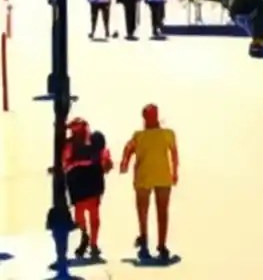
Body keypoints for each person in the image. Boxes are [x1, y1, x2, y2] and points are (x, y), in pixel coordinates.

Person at [120, 104, 178, 262]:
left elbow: (129, 148)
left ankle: (153, 242)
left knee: (150, 211)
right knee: (157, 211)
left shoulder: (144, 135)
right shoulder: (162, 134)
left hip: (148, 176)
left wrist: (125, 162)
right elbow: (174, 153)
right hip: (156, 176)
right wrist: (174, 172)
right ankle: (156, 244)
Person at [63, 119, 113, 260]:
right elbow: (65, 162)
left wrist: (105, 162)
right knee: (80, 215)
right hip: (78, 182)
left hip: (92, 180)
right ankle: (85, 235)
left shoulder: (95, 140)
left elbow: (104, 156)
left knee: (93, 215)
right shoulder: (69, 144)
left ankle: (93, 243)